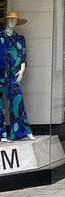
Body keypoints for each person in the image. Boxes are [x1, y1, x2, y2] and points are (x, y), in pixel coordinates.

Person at [0, 11, 35, 142]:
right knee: (0, 104)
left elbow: (23, 56)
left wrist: (23, 68)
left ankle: (23, 131)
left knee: (17, 100)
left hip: (13, 74)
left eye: (15, 20)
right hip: (1, 73)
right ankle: (2, 134)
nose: (12, 22)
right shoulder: (0, 37)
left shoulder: (20, 38)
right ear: (6, 21)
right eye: (10, 19)